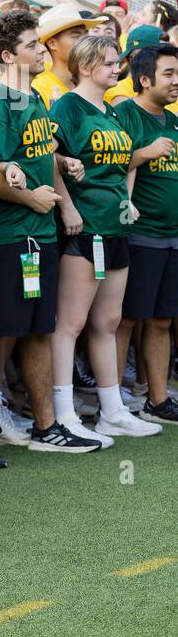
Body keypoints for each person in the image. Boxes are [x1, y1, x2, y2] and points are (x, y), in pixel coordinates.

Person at [0, 11, 101, 454]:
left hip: (38, 233)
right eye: (32, 45)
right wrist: (29, 199)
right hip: (4, 236)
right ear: (7, 56)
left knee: (39, 328)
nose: (43, 50)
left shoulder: (34, 97)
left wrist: (62, 171)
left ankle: (46, 426)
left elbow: (40, 154)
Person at [48, 35, 162, 439]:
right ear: (86, 66)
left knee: (109, 320)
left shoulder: (111, 111)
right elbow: (50, 157)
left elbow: (123, 163)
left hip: (115, 225)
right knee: (71, 323)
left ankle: (112, 408)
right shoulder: (67, 106)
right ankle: (63, 414)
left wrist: (126, 200)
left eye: (118, 63)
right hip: (87, 226)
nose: (119, 69)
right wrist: (67, 206)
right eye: (111, 63)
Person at [112, 44, 178, 424]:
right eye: (168, 73)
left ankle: (157, 398)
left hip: (172, 235)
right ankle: (116, 401)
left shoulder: (172, 119)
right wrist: (144, 152)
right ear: (144, 78)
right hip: (139, 232)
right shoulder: (124, 114)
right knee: (126, 319)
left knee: (162, 320)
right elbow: (106, 163)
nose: (175, 81)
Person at [32, 3, 104, 106]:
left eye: (86, 35)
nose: (86, 41)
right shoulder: (40, 89)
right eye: (76, 36)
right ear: (52, 44)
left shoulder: (94, 86)